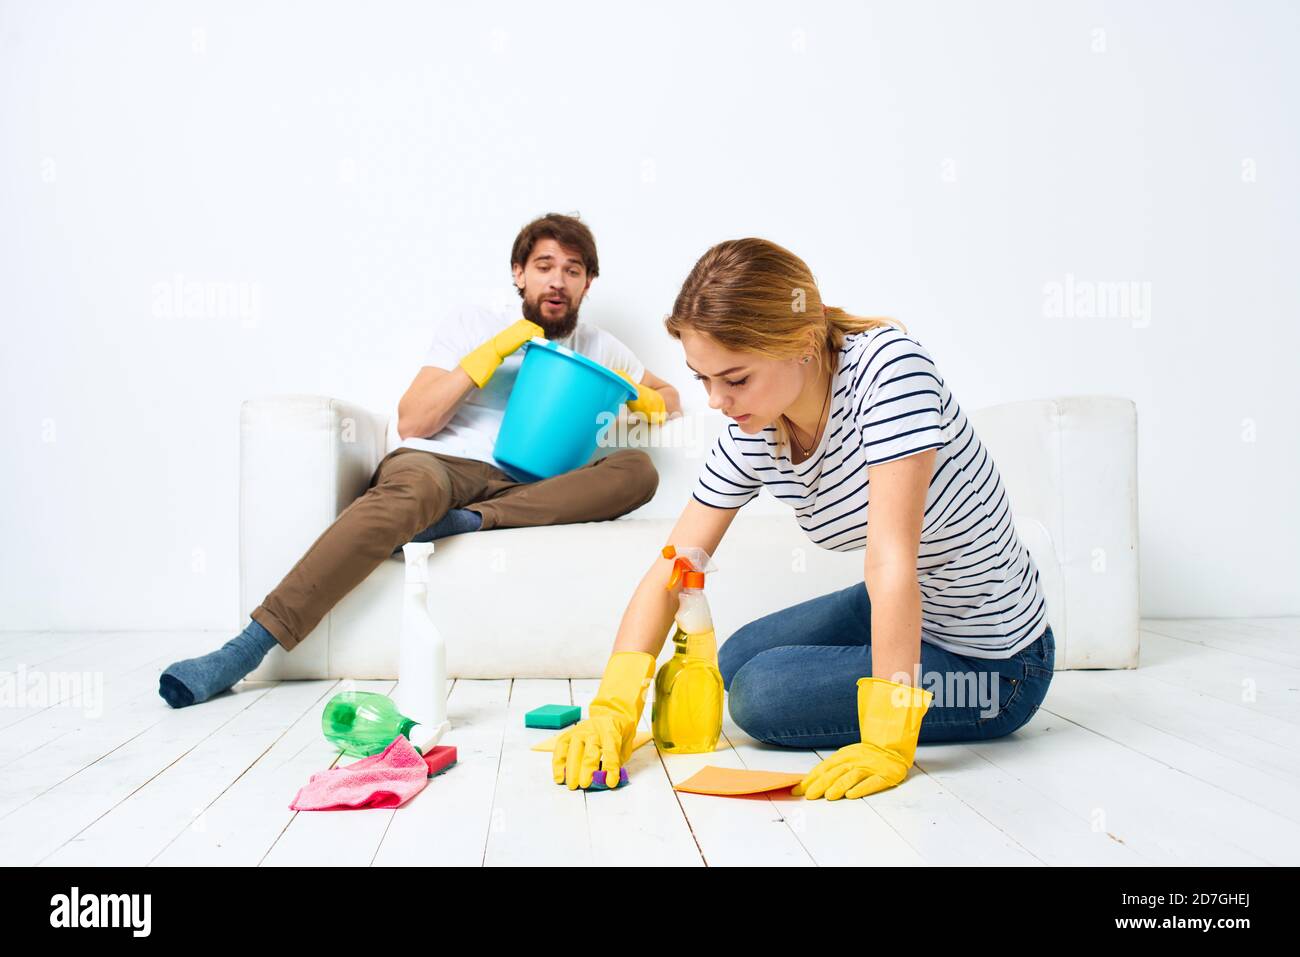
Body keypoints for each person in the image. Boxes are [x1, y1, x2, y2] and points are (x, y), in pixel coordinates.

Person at [551, 237, 1054, 801]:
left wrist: (887, 739)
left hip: (992, 660)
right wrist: (612, 708)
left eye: (735, 378)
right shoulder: (754, 425)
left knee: (759, 696)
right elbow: (676, 564)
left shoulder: (891, 374)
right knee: (735, 658)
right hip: (896, 603)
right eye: (702, 379)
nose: (717, 400)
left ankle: (944, 696)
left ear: (803, 343)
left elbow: (892, 558)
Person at [160, 212, 681, 708]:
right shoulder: (474, 322)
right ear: (519, 274)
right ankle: (243, 651)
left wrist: (639, 393)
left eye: (573, 270)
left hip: (524, 489)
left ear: (588, 283)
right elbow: (413, 421)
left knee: (637, 470)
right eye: (544, 266)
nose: (557, 281)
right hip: (438, 465)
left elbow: (671, 398)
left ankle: (464, 524)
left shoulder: (598, 346)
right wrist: (492, 354)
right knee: (409, 492)